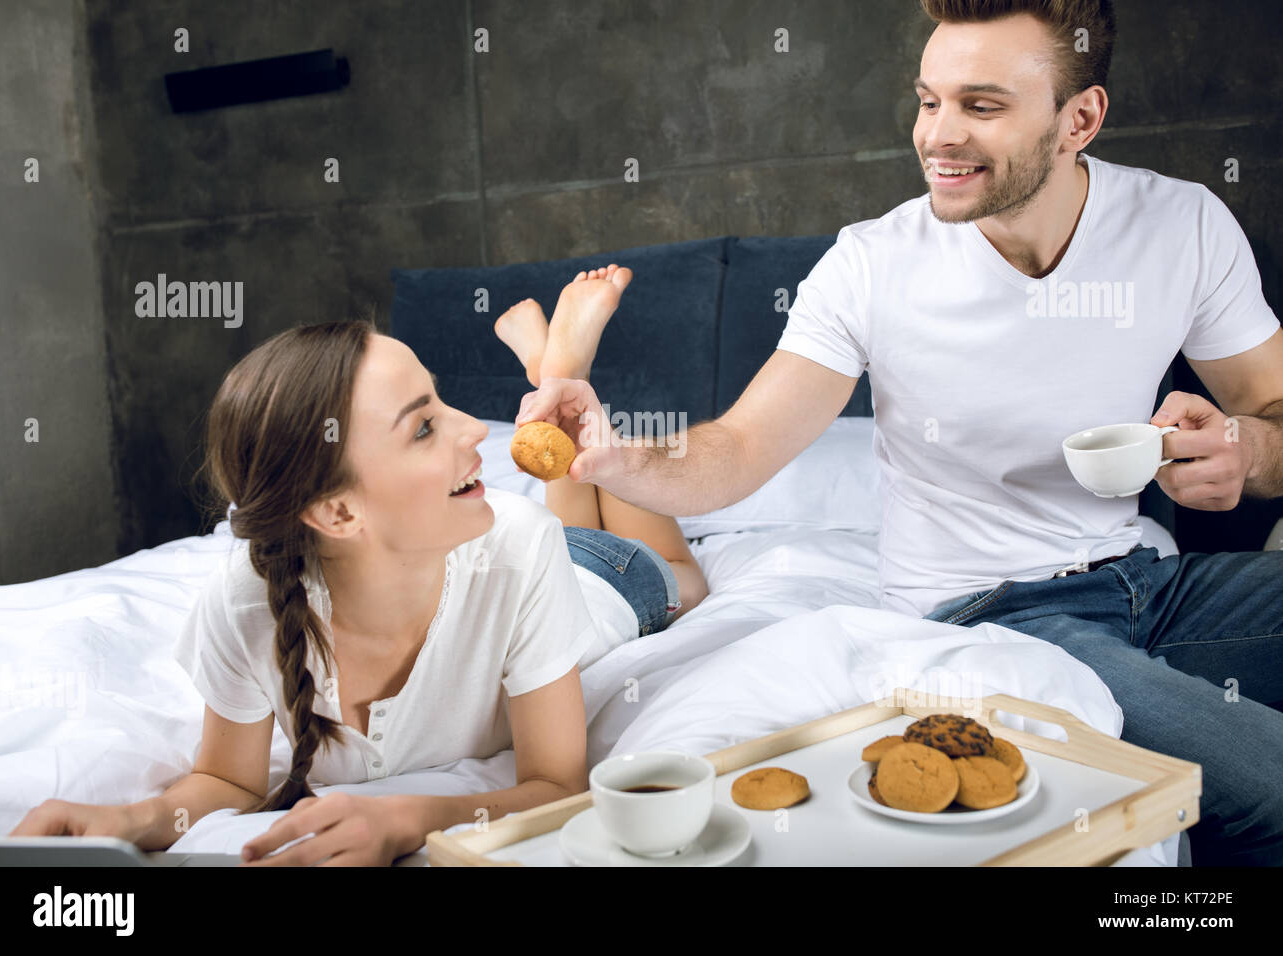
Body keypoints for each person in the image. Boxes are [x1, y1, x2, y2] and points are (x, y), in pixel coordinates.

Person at [517, 1, 1283, 865]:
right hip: (998, 618)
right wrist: (616, 455)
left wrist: (1248, 452)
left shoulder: (1181, 225)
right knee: (1269, 788)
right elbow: (738, 449)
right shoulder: (870, 266)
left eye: (981, 106)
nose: (938, 136)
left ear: (1081, 119)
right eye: (929, 101)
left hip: (1154, 582)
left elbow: (1272, 410)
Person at [9, 265, 707, 866]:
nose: (474, 429)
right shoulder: (247, 599)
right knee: (563, 511)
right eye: (425, 425)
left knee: (680, 571)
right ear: (337, 515)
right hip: (529, 564)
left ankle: (565, 378)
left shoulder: (518, 545)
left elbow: (559, 788)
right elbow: (227, 782)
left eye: (437, 402)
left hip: (601, 577)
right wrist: (128, 822)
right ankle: (556, 377)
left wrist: (410, 819)